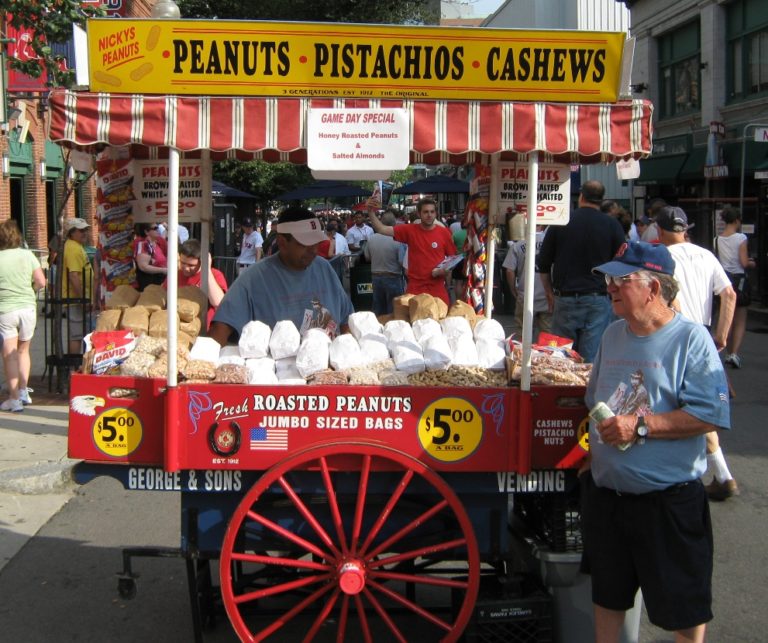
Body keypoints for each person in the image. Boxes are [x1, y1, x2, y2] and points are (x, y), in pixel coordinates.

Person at [583, 241, 730, 643]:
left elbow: (710, 414)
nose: (610, 287)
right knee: (608, 598)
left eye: (621, 279)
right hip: (609, 497)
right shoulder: (612, 335)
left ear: (654, 288)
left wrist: (640, 427)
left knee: (683, 608)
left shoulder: (692, 340)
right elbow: (594, 398)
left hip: (667, 501)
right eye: (609, 279)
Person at [655, 206, 739, 502]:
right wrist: (721, 337)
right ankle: (720, 474)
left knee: (682, 405)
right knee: (696, 402)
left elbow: (672, 300)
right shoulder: (706, 254)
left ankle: (717, 474)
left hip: (678, 332)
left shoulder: (664, 257)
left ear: (661, 230)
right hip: (703, 332)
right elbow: (729, 294)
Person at [209, 207, 354, 346]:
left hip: (330, 367)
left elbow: (347, 320)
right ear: (282, 242)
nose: (313, 250)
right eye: (304, 244)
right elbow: (219, 331)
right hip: (278, 369)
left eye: (316, 242)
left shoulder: (324, 268)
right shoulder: (253, 278)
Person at [536, 180, 625, 362]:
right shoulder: (612, 225)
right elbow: (622, 263)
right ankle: (586, 390)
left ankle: (563, 390)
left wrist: (549, 293)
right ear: (602, 200)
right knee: (590, 358)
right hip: (598, 298)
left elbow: (543, 264)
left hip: (565, 297)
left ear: (581, 196)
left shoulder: (560, 223)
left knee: (562, 356)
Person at [367, 197, 457, 306]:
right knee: (414, 322)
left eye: (432, 212)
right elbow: (381, 229)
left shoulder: (444, 233)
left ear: (436, 213)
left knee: (440, 321)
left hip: (437, 288)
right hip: (415, 288)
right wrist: (370, 211)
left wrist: (444, 270)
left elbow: (452, 258)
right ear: (419, 214)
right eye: (425, 212)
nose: (429, 215)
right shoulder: (410, 230)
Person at [0, 220, 46, 412]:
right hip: (27, 307)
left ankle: (14, 399)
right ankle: (23, 390)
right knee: (23, 351)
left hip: (5, 309)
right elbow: (41, 282)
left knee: (8, 354)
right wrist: (30, 290)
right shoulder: (28, 255)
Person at [715, 207, 756, 369]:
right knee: (740, 319)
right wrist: (753, 263)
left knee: (726, 317)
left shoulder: (717, 239)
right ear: (737, 220)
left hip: (724, 281)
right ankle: (733, 354)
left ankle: (722, 349)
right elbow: (744, 262)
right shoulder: (741, 238)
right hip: (739, 281)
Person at [165, 239, 227, 331]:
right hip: (178, 329)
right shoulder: (176, 274)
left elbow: (218, 302)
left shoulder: (215, 274)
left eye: (191, 265)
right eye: (183, 263)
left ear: (201, 262)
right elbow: (163, 296)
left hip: (205, 330)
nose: (185, 268)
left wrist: (207, 270)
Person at [502, 226, 552, 341]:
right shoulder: (550, 241)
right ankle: (543, 358)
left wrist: (513, 289)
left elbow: (509, 270)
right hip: (547, 295)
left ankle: (522, 357)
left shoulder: (518, 244)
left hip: (525, 295)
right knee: (547, 334)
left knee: (522, 332)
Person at [363, 211, 406, 315]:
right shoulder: (398, 239)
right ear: (394, 223)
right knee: (395, 309)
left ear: (381, 222)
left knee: (378, 308)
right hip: (393, 276)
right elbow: (401, 261)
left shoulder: (371, 238)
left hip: (376, 277)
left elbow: (367, 258)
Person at [62, 217, 94, 354]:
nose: (85, 233)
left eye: (85, 230)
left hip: (79, 299)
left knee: (80, 334)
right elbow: (73, 276)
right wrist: (82, 299)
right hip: (75, 301)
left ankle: (76, 366)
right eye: (81, 231)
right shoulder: (72, 248)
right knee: (76, 335)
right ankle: (73, 368)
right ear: (72, 232)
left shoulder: (76, 246)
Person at [133, 222, 168, 291]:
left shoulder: (156, 243)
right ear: (146, 232)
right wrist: (163, 270)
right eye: (155, 228)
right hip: (149, 284)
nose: (158, 229)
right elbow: (143, 267)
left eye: (157, 227)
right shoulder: (144, 244)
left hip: (159, 282)